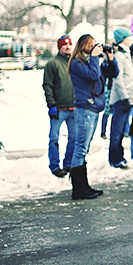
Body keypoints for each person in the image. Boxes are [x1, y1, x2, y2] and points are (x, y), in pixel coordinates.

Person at [68, 33, 119, 200]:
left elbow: (113, 73)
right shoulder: (77, 63)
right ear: (83, 46)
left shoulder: (92, 61)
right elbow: (92, 76)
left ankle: (84, 186)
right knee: (80, 148)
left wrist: (110, 59)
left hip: (93, 109)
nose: (95, 48)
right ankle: (78, 189)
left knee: (84, 148)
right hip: (85, 109)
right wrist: (96, 58)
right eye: (92, 45)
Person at [42, 35, 76, 178]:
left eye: (69, 45)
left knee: (74, 138)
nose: (67, 47)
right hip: (58, 108)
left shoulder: (74, 63)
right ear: (59, 47)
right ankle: (54, 166)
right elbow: (47, 85)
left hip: (74, 107)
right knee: (54, 138)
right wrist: (51, 104)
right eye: (64, 45)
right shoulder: (53, 64)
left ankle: (68, 163)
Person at [108, 27, 133, 169]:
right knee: (117, 130)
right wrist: (125, 98)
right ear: (123, 39)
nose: (131, 38)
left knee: (121, 130)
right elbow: (118, 78)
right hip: (121, 99)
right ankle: (115, 158)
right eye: (129, 36)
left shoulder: (126, 53)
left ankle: (119, 157)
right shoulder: (120, 56)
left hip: (129, 98)